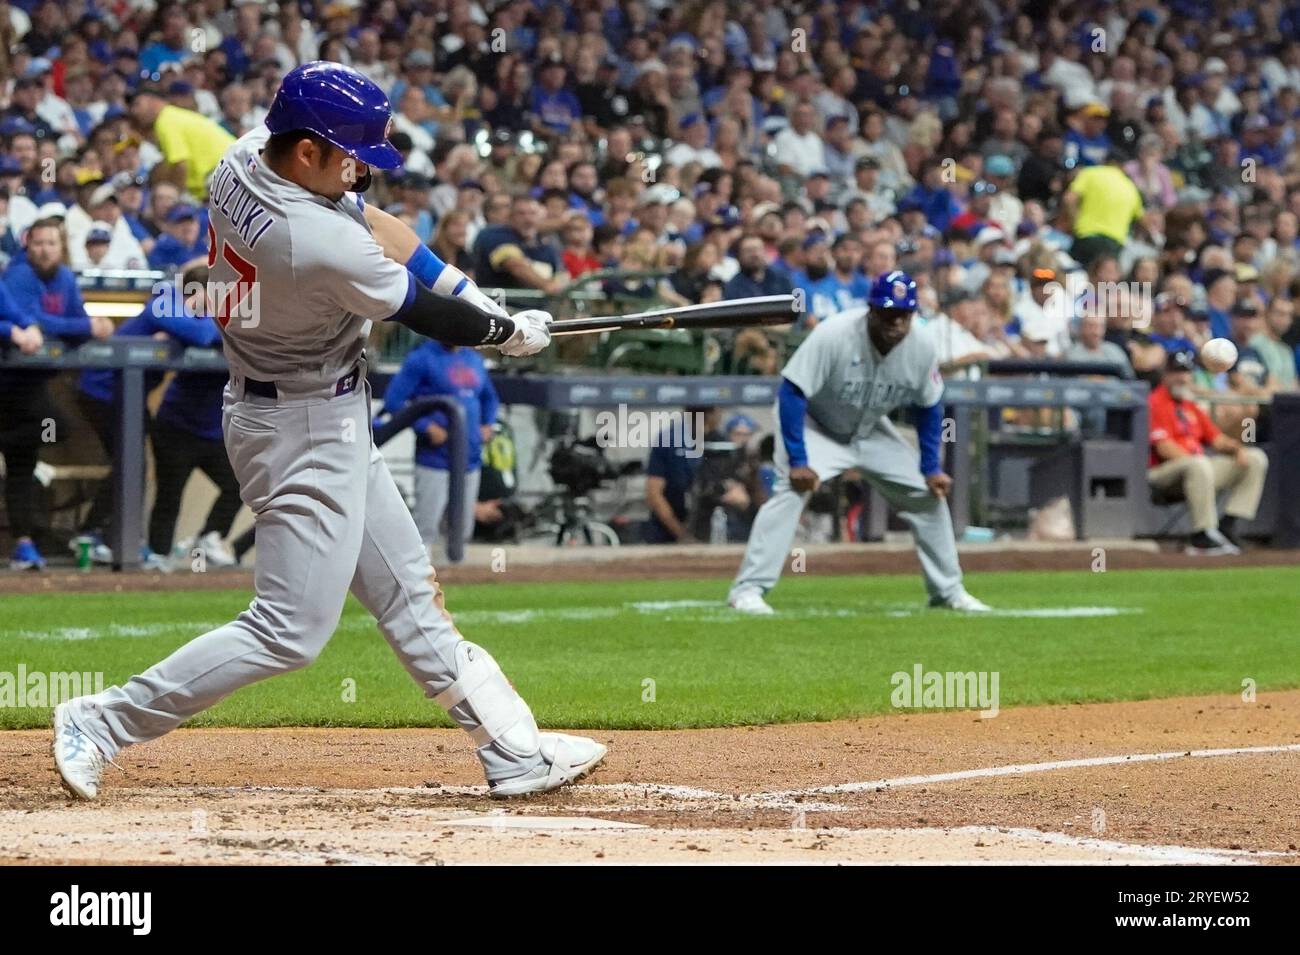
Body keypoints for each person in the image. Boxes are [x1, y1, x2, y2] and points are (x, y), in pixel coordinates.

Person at [52, 62, 604, 802]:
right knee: (290, 629)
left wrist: (480, 299)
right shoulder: (307, 239)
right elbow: (421, 310)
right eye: (347, 156)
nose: (359, 173)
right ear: (306, 150)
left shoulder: (246, 153)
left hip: (313, 407)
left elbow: (384, 230)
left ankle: (513, 750)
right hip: (298, 424)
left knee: (410, 594)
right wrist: (503, 330)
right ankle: (100, 720)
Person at [728, 271, 990, 614]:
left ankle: (948, 591)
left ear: (913, 315)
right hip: (815, 423)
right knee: (789, 492)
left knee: (927, 496)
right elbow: (792, 392)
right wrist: (798, 460)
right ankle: (748, 590)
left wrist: (930, 467)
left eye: (903, 314)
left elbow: (929, 407)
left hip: (869, 429)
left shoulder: (922, 346)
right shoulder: (834, 334)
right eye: (887, 312)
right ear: (870, 310)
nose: (895, 322)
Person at [381, 337, 499, 559]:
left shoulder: (473, 358)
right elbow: (393, 401)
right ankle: (421, 586)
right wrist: (425, 426)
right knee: (425, 529)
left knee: (462, 531)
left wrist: (488, 424)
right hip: (434, 458)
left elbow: (490, 398)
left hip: (469, 457)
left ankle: (456, 581)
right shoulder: (422, 358)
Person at [1147, 350, 1269, 555]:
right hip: (1162, 473)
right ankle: (1202, 535)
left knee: (1255, 458)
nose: (1182, 377)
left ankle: (1228, 525)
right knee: (1199, 464)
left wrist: (1237, 449)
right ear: (1165, 374)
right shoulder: (1155, 401)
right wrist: (1201, 464)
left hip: (1198, 470)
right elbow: (1164, 448)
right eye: (1176, 372)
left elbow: (1216, 438)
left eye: (1186, 372)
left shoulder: (1189, 404)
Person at [127, 89, 235, 199]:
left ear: (155, 102)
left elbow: (180, 164)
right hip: (228, 165)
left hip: (224, 169)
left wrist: (175, 196)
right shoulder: (172, 115)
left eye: (138, 104)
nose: (135, 111)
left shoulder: (165, 121)